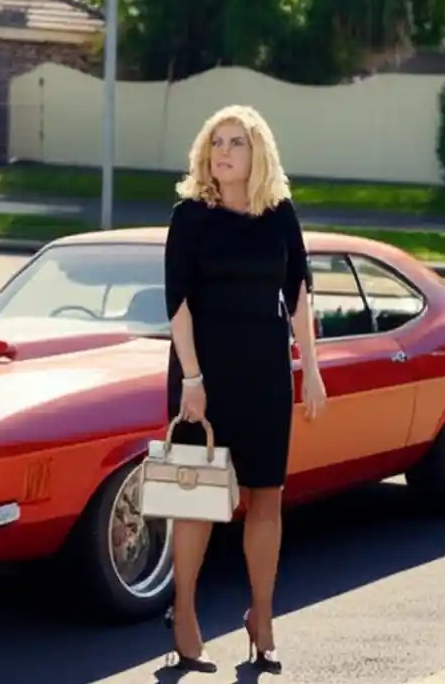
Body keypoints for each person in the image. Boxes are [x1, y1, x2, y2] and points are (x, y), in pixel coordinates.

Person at [162, 104, 327, 674]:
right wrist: (192, 379)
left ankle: (262, 617)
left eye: (236, 142)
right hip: (200, 372)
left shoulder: (279, 214)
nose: (224, 152)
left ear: (258, 154)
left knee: (266, 496)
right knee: (197, 500)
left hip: (264, 370)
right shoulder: (189, 217)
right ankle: (183, 614)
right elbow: (177, 303)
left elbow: (300, 292)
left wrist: (311, 368)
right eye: (216, 143)